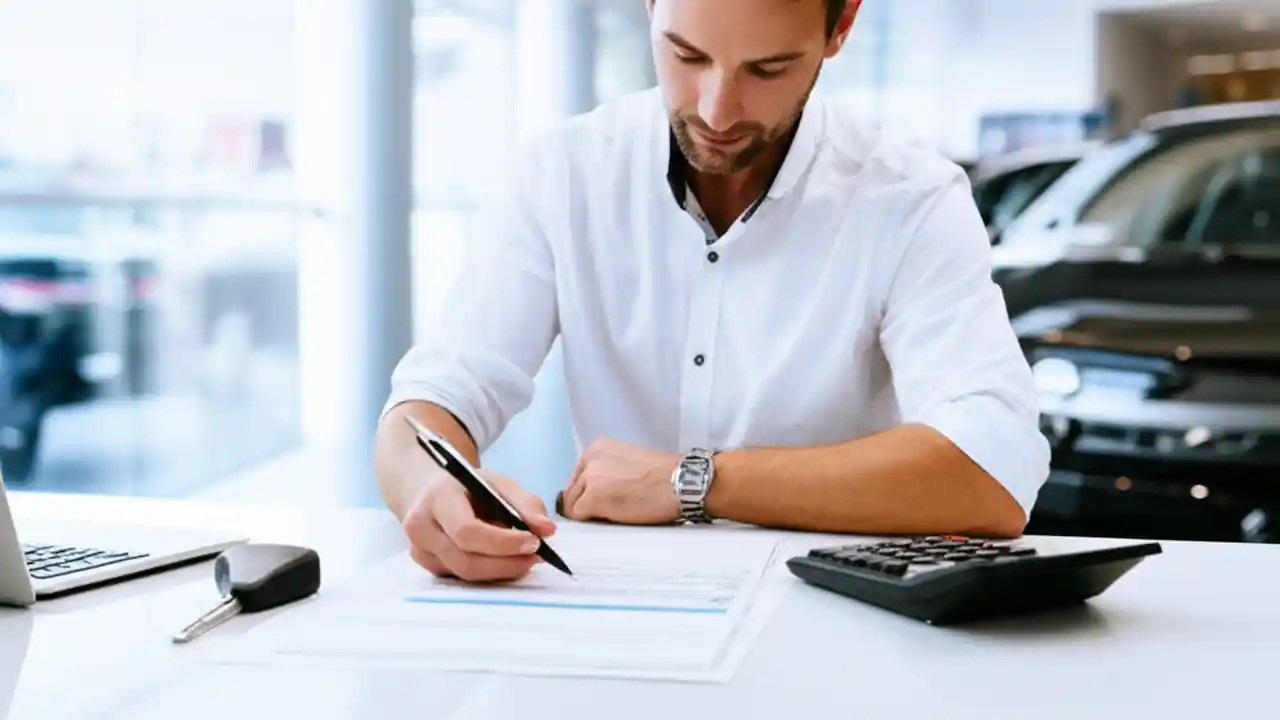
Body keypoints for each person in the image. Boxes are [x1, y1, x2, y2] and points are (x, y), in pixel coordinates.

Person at [374, 0, 1050, 583]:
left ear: (841, 25)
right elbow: (430, 403)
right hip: (614, 615)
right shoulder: (565, 173)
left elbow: (995, 466)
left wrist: (690, 483)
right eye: (686, 54)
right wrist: (429, 488)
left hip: (841, 626)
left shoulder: (911, 200)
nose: (716, 109)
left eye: (768, 69)